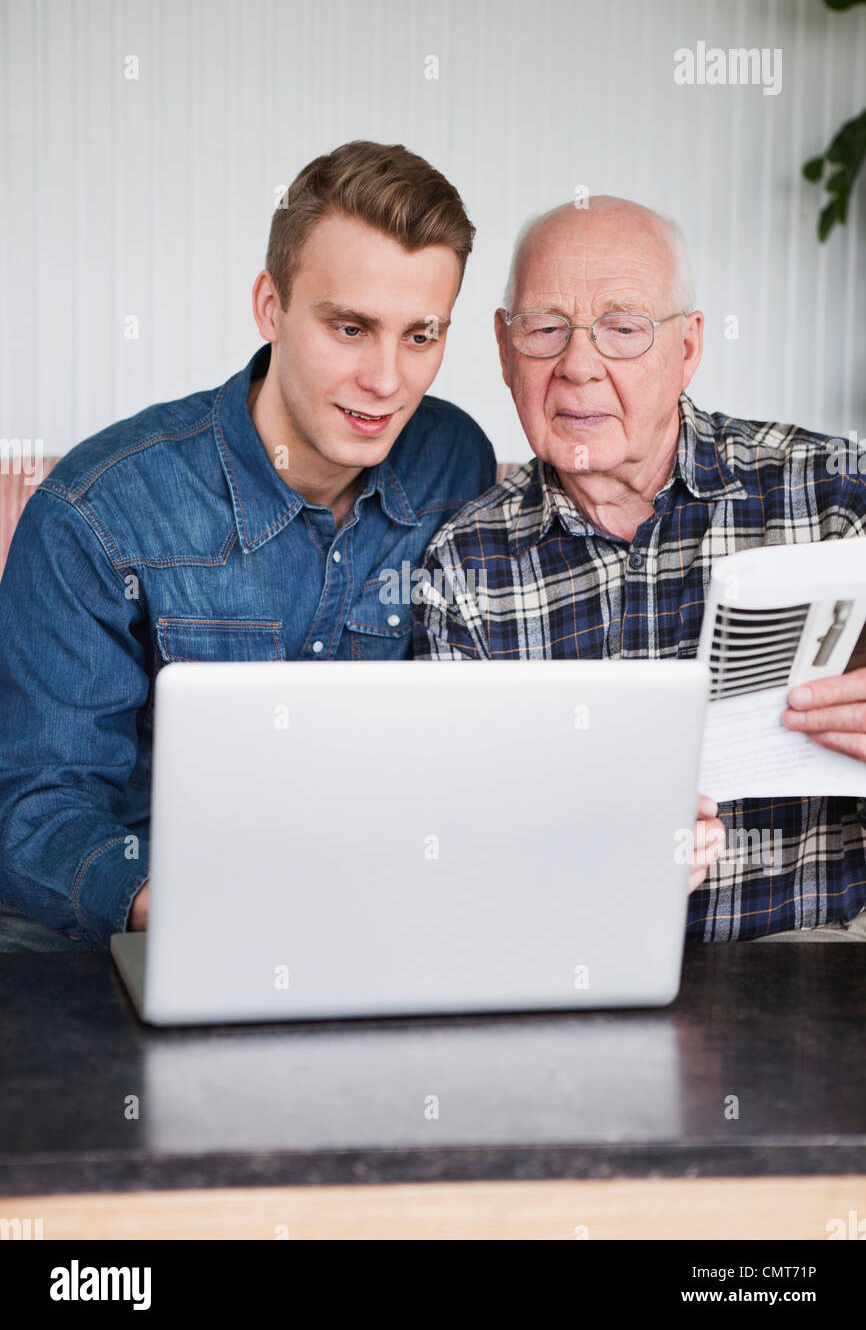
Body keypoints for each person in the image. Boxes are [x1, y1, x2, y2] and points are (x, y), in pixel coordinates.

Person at [0, 140, 496, 951]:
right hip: (135, 932)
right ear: (271, 306)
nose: (386, 381)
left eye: (420, 336)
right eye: (350, 327)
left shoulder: (453, 464)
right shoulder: (97, 513)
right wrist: (180, 909)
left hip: (372, 918)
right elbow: (34, 805)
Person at [412, 195, 866, 941]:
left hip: (822, 974)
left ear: (686, 349)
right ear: (503, 347)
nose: (578, 366)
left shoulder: (833, 494)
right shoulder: (463, 564)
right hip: (569, 972)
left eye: (623, 329)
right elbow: (453, 847)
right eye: (545, 328)